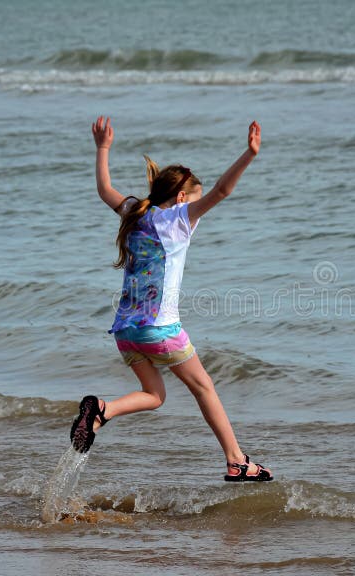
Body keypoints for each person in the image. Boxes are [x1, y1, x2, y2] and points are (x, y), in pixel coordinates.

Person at [70, 116, 273, 482]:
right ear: (181, 199)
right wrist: (248, 155)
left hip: (125, 332)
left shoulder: (135, 211)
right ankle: (236, 460)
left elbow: (104, 190)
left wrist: (102, 148)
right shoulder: (178, 219)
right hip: (159, 329)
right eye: (193, 202)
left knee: (155, 395)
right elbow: (223, 192)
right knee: (203, 386)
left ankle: (101, 410)